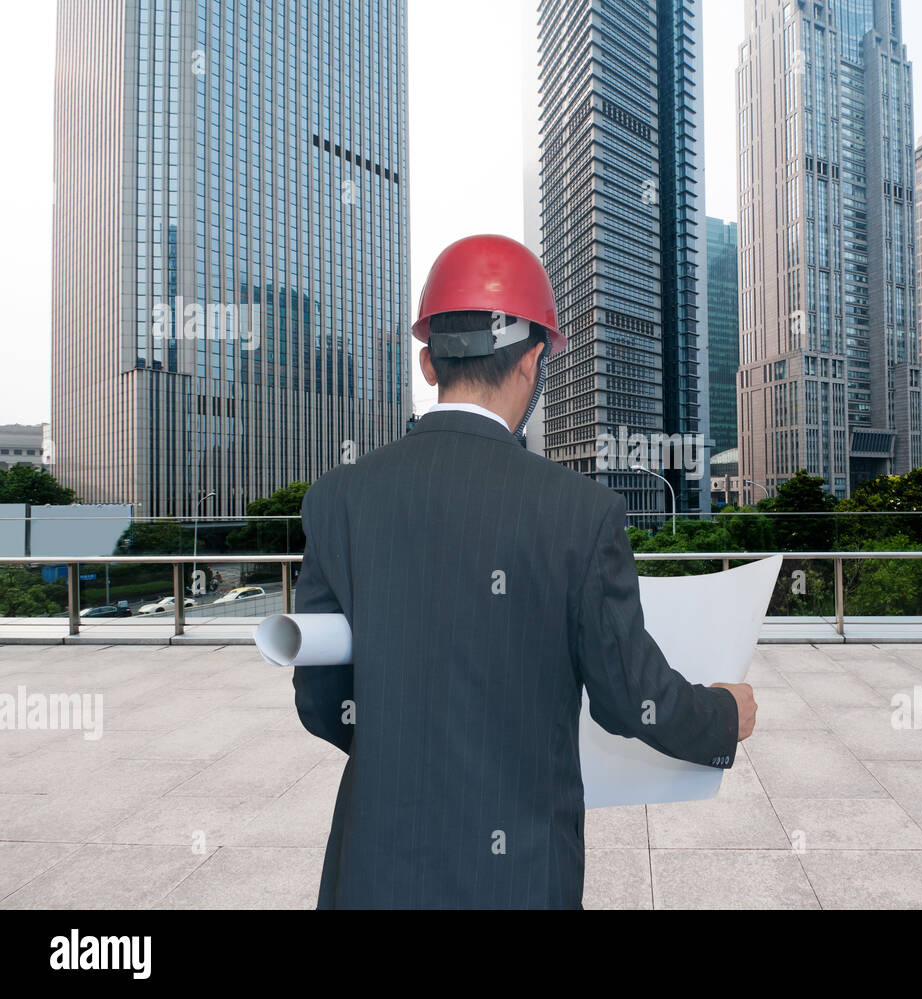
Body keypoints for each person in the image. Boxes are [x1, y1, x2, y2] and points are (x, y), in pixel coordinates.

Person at [292, 234, 757, 909]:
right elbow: (631, 696)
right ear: (535, 359)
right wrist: (721, 713)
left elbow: (320, 699)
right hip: (517, 878)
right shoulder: (579, 511)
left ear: (428, 361)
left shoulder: (339, 498)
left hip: (373, 872)